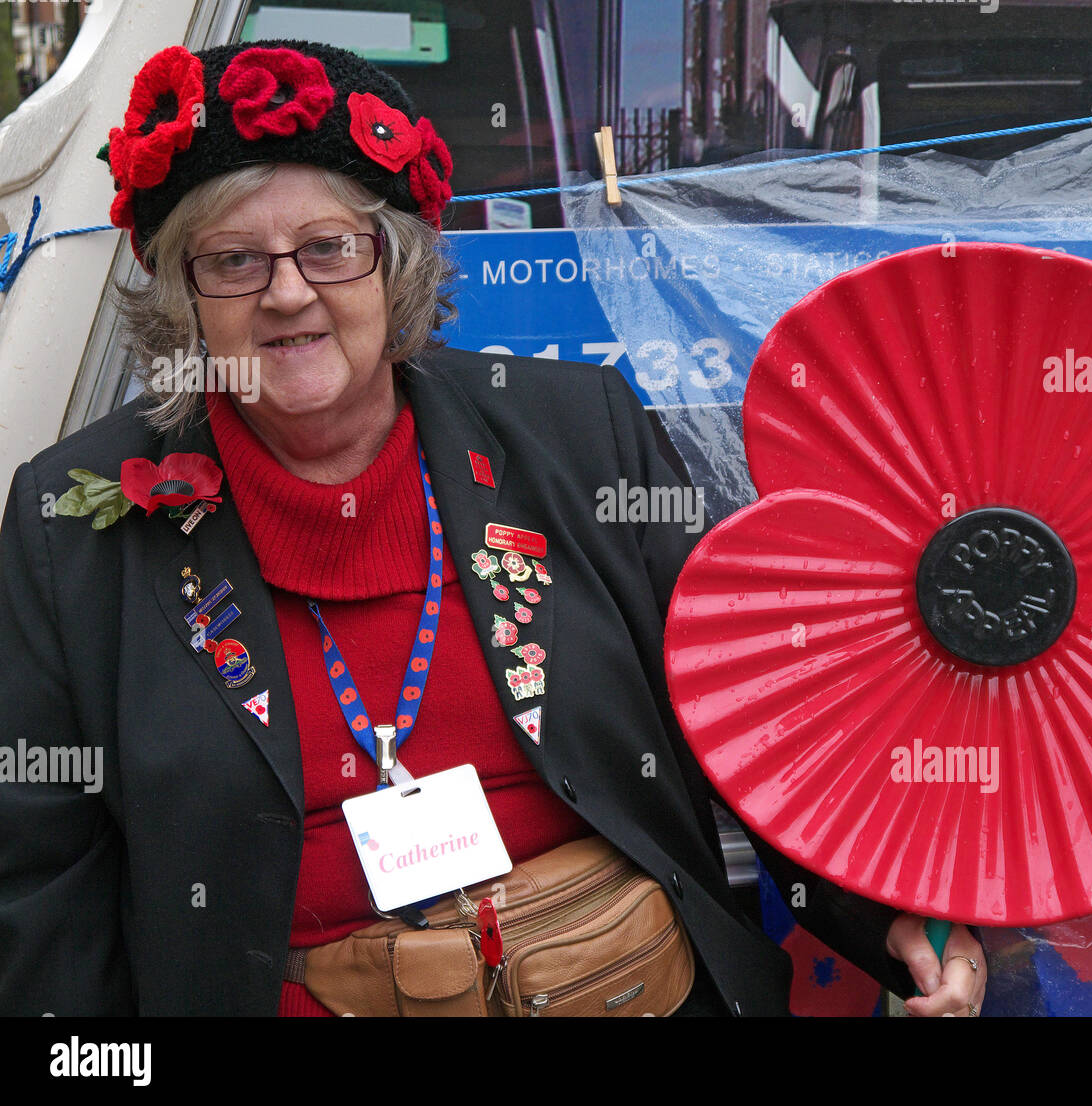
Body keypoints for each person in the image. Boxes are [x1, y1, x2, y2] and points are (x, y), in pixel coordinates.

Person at [0, 39, 985, 1017]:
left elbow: (750, 712)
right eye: (233, 260)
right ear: (184, 294)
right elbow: (41, 883)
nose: (288, 291)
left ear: (395, 265)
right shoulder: (75, 517)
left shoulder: (578, 432)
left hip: (620, 987)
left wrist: (883, 917)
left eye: (329, 247)